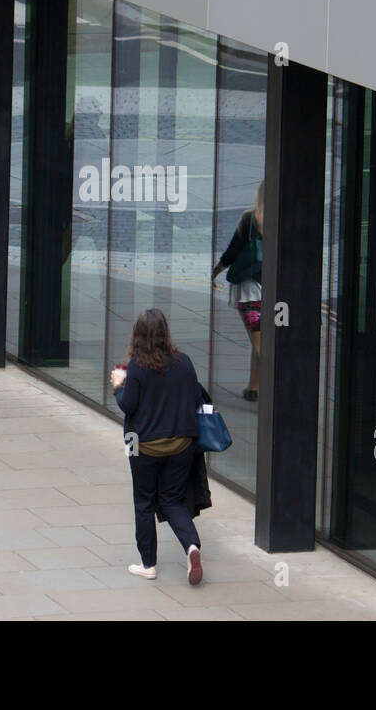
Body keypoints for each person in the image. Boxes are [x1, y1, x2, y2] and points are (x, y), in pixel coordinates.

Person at [111, 308, 205, 585]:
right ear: (166, 333)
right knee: (172, 500)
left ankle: (148, 564)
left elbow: (128, 405)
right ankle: (192, 547)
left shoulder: (137, 368)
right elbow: (197, 399)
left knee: (144, 502)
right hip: (181, 444)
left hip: (143, 446)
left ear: (137, 336)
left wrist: (118, 386)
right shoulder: (184, 362)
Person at [211, 182, 263, 400]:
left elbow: (233, 251)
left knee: (260, 343)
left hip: (249, 292)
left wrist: (215, 272)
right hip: (274, 289)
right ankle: (254, 387)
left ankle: (265, 388)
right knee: (260, 341)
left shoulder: (250, 218)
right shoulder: (284, 217)